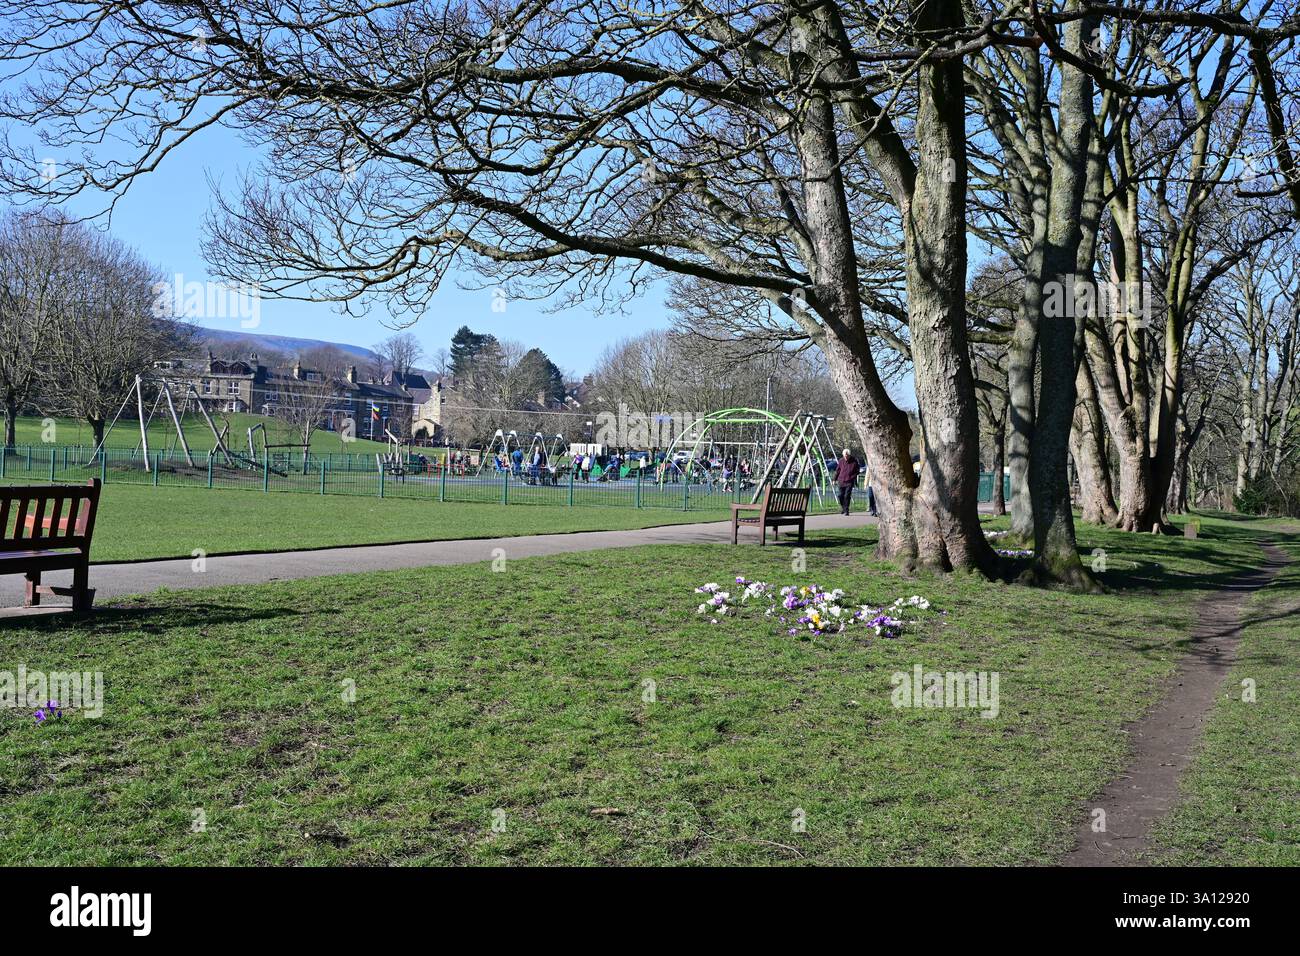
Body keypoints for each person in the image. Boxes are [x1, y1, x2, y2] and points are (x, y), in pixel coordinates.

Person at [833, 448, 860, 516]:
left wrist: (852, 477)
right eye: (844, 456)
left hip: (849, 482)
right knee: (840, 496)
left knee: (847, 496)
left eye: (847, 456)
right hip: (841, 481)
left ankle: (846, 510)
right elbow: (838, 471)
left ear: (849, 455)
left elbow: (857, 471)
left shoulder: (854, 461)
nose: (846, 457)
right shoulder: (841, 461)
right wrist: (834, 479)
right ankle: (843, 508)